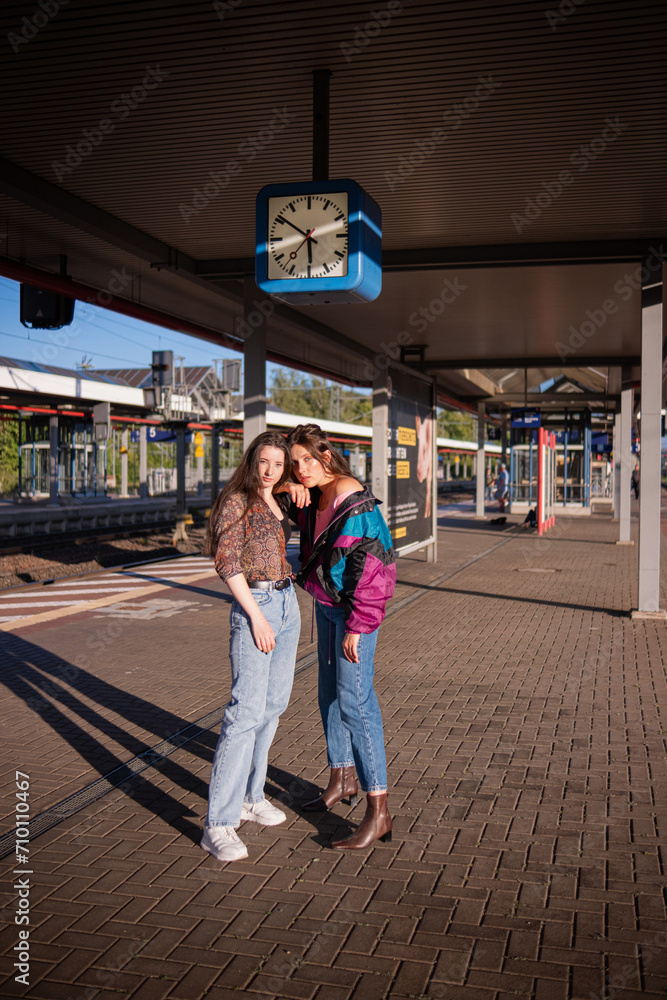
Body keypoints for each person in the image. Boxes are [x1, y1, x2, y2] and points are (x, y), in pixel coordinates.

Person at [283, 423, 396, 850]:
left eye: (306, 460)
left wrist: (359, 625)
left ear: (326, 456)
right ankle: (342, 776)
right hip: (326, 609)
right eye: (295, 463)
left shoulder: (354, 500)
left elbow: (376, 567)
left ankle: (378, 809)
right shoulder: (312, 495)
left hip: (353, 617)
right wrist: (288, 490)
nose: (300, 469)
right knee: (328, 695)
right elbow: (273, 496)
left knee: (356, 703)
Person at [200, 431, 308, 863]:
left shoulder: (273, 498)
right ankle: (218, 823)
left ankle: (251, 794)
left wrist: (290, 486)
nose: (270, 470)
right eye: (264, 462)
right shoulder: (236, 501)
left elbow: (284, 492)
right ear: (251, 461)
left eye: (279, 464)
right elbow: (226, 562)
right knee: (244, 712)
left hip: (287, 602)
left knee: (273, 705)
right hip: (256, 606)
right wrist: (256, 616)